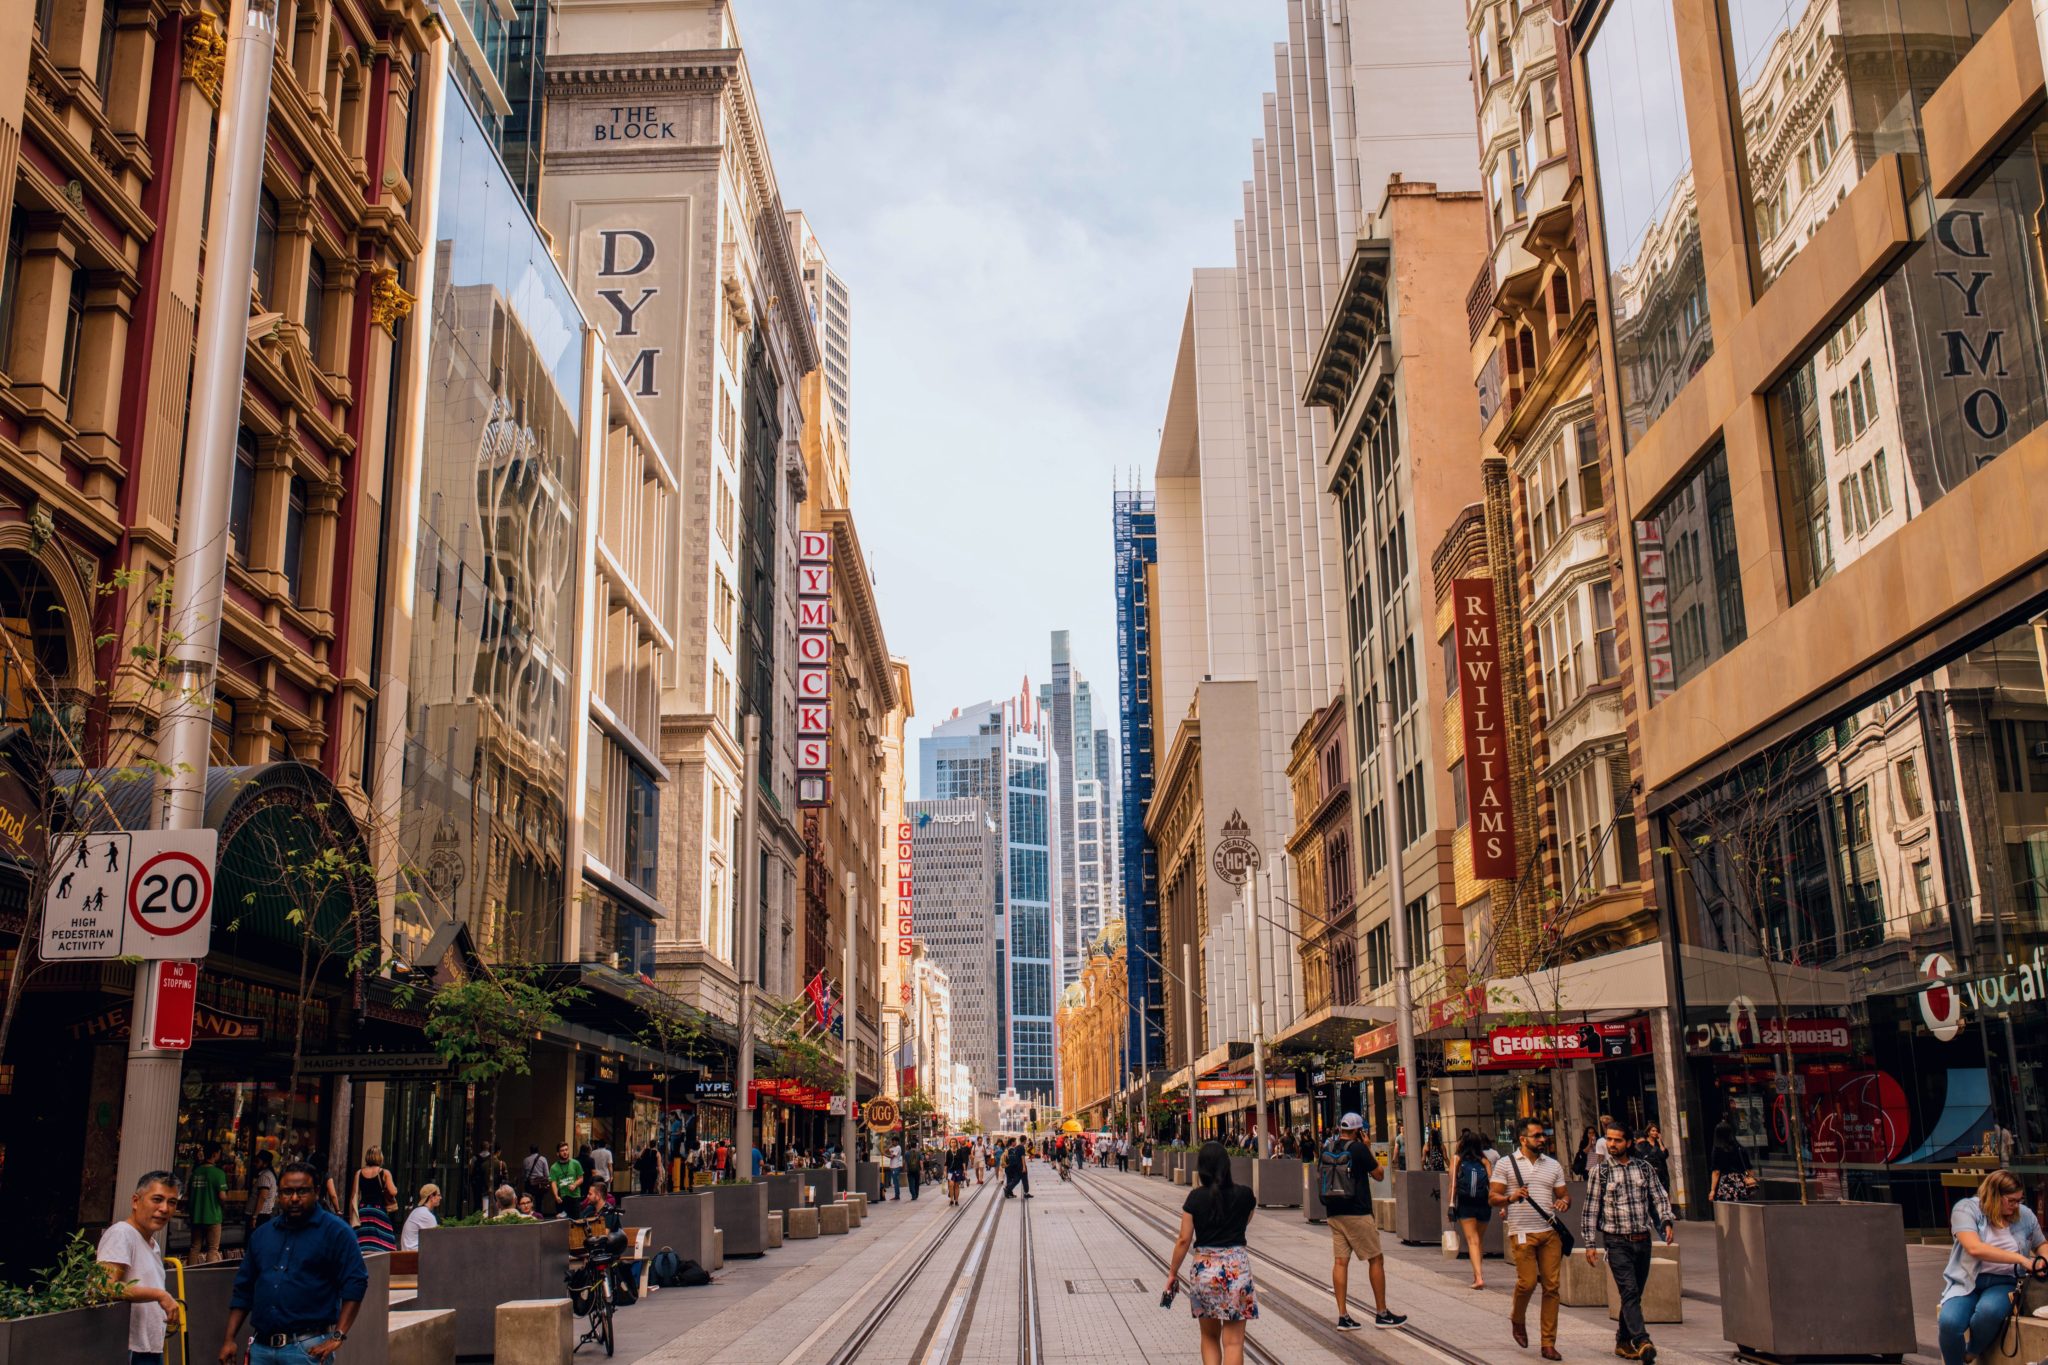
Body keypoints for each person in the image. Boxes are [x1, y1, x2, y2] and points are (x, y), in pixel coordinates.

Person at [220, 1161, 369, 1365]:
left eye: (303, 1191)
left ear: (317, 1191)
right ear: (279, 1194)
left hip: (307, 1347)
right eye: (287, 1192)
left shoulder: (337, 1232)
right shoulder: (262, 1235)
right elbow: (243, 1289)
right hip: (261, 1347)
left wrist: (338, 1336)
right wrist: (229, 1339)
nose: (295, 1198)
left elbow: (356, 1282)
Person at [1583, 1121, 1676, 1365]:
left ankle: (1623, 1341)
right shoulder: (1600, 1172)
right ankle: (1642, 1340)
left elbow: (1659, 1197)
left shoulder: (1644, 1169)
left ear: (1629, 1143)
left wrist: (1666, 1221)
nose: (1611, 1144)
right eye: (1609, 1139)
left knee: (1634, 1294)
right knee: (1630, 1290)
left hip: (1642, 1240)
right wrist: (1590, 1242)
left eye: (1617, 1140)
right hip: (1616, 1241)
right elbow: (1591, 1209)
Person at [1939, 1168, 2047, 1365]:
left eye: (2019, 1200)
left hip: (2004, 1281)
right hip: (1967, 1280)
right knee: (1949, 1323)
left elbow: (2042, 1245)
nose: (2016, 1206)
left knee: (1989, 1312)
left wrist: (2042, 1260)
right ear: (1995, 1195)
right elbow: (1974, 1248)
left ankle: (1972, 1351)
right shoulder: (1966, 1209)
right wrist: (2021, 1259)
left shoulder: (2025, 1215)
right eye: (2011, 1201)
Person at [1163, 1142, 1259, 1365]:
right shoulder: (1245, 1195)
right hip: (1237, 1271)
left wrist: (1172, 1273)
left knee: (1209, 1336)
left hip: (1205, 1273)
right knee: (1234, 1342)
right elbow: (1244, 1223)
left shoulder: (1195, 1198)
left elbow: (1184, 1239)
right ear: (1227, 1166)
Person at [1492, 1116, 1571, 1362]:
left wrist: (1564, 1202)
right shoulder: (1506, 1164)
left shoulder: (1553, 1165)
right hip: (1521, 1231)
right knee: (1527, 1283)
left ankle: (1548, 1343)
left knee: (1552, 1287)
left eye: (1543, 1134)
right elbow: (1493, 1197)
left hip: (1549, 1233)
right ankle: (1517, 1318)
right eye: (1537, 1135)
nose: (1542, 1138)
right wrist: (1510, 1197)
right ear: (1523, 1139)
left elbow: (1564, 1195)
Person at [1319, 1112, 1401, 1330]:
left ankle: (1343, 1316)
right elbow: (1379, 1174)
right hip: (1357, 1212)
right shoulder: (1358, 1149)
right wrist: (1368, 1147)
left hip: (1334, 1212)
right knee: (1376, 1259)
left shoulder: (1328, 1148)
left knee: (1340, 1262)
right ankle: (1382, 1313)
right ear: (1358, 1131)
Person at [99, 1170, 183, 1365]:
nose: (164, 1208)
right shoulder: (122, 1233)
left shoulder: (153, 1243)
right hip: (130, 1350)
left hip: (149, 1347)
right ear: (136, 1201)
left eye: (172, 1202)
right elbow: (103, 1286)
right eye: (157, 1199)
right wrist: (160, 1295)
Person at [1450, 1131, 1493, 1290]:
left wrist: (1451, 1204)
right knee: (1479, 1240)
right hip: (1483, 1203)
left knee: (1472, 1240)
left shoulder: (1457, 1160)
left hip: (1466, 1203)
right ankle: (1477, 1274)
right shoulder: (1485, 1161)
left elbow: (1453, 1184)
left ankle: (1479, 1277)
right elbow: (1492, 1184)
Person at [351, 1147, 398, 1254]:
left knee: (362, 1243)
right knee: (383, 1243)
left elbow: (354, 1196)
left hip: (363, 1210)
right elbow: (392, 1192)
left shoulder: (359, 1173)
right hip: (378, 1211)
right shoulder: (385, 1173)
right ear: (380, 1157)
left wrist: (353, 1216)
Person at [189, 1143, 228, 1265]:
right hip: (213, 1215)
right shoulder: (218, 1173)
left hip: (196, 1215)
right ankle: (210, 1275)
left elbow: (188, 1192)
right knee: (212, 1249)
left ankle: (189, 1274)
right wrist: (225, 1202)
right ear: (215, 1154)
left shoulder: (196, 1172)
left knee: (195, 1247)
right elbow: (222, 1196)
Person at [1708, 1121, 1757, 1203]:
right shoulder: (1739, 1148)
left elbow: (1716, 1172)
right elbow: (1749, 1168)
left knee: (1729, 1210)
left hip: (1727, 1184)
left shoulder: (1717, 1150)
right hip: (1741, 1182)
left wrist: (1712, 1190)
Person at [400, 1184, 442, 1252]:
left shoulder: (417, 1211)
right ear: (431, 1197)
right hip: (414, 1255)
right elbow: (437, 1240)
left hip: (409, 1252)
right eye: (438, 1195)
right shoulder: (426, 1215)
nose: (440, 1198)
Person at [549, 1142, 584, 1214]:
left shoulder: (575, 1163)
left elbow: (581, 1178)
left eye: (566, 1150)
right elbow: (553, 1183)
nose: (565, 1152)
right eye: (562, 1150)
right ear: (558, 1153)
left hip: (575, 1196)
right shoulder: (554, 1167)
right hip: (562, 1197)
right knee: (562, 1221)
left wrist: (574, 1185)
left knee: (575, 1220)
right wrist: (556, 1196)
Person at [248, 1150, 279, 1234]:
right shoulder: (267, 1174)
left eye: (258, 1161)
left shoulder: (265, 1176)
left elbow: (262, 1196)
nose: (255, 1164)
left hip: (260, 1215)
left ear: (265, 1163)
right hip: (262, 1214)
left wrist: (255, 1216)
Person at [1639, 1123, 1671, 1191]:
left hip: (1662, 1172)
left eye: (1656, 1131)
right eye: (1653, 1131)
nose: (1655, 1132)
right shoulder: (1644, 1144)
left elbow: (1664, 1155)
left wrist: (1660, 1142)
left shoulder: (1658, 1143)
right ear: (1648, 1132)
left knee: (1665, 1191)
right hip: (1650, 1172)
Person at [521, 1145, 552, 1213]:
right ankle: (539, 1216)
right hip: (539, 1185)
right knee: (539, 1202)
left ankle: (529, 1215)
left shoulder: (525, 1160)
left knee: (529, 1201)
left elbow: (523, 1174)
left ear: (530, 1151)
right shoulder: (543, 1159)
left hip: (529, 1185)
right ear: (538, 1150)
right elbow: (547, 1174)